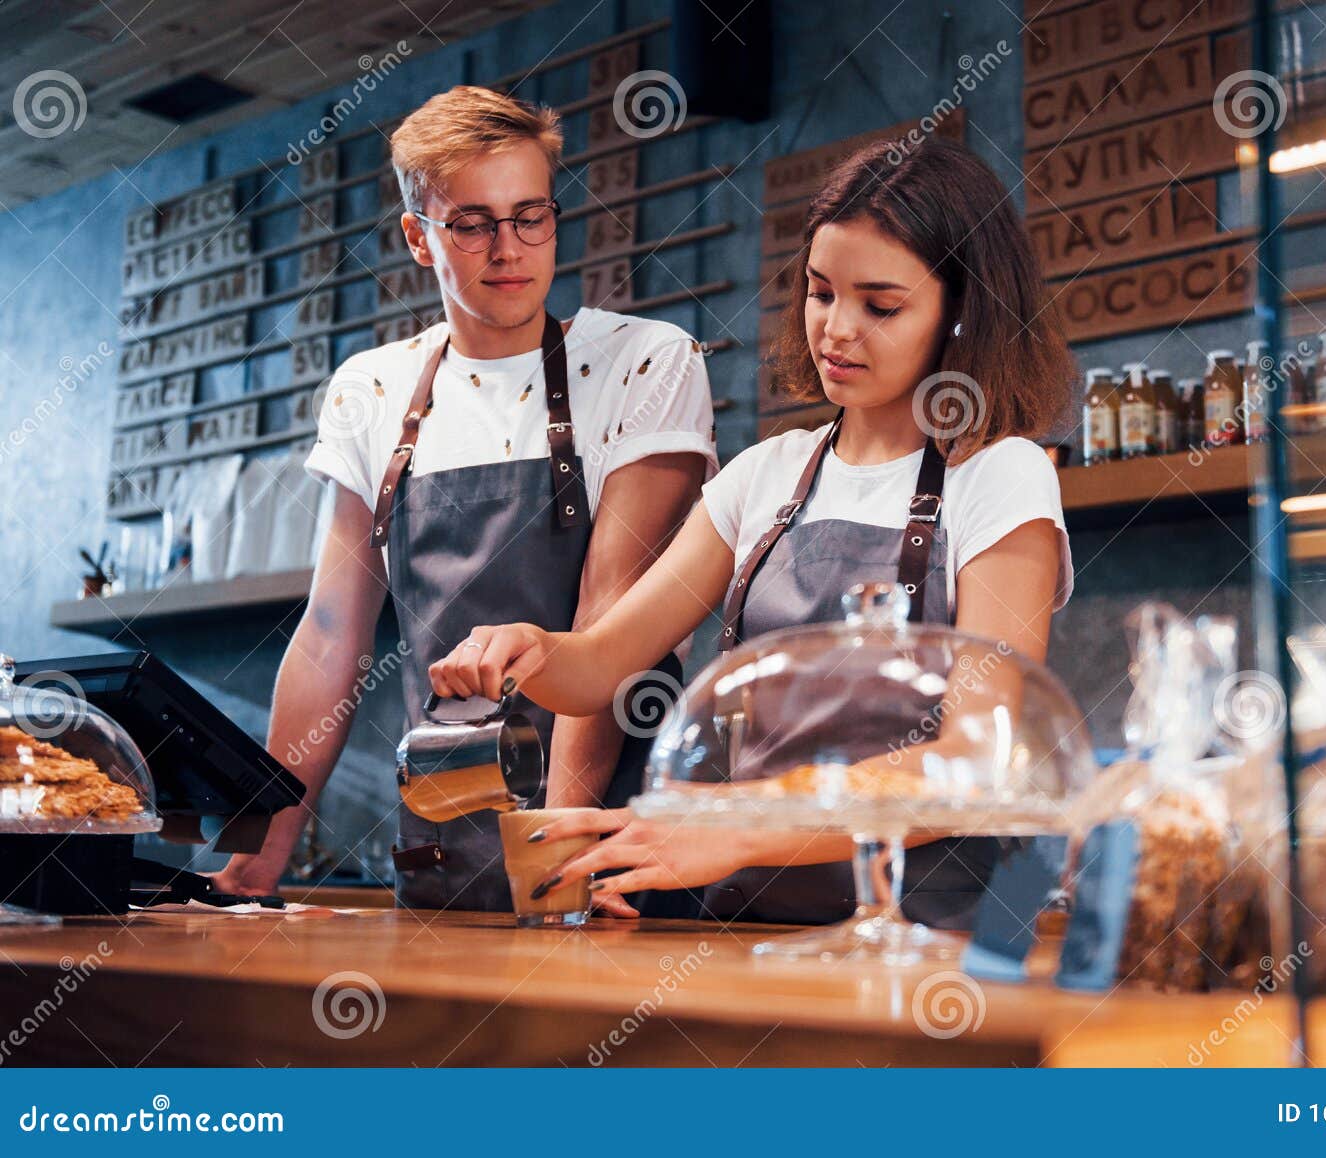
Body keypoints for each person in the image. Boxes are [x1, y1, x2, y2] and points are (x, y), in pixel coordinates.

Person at [426, 136, 1073, 926]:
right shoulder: (764, 476)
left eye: (881, 305)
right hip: (745, 933)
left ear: (961, 312)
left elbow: (980, 759)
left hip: (924, 945)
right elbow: (598, 669)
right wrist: (528, 651)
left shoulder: (999, 474)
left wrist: (738, 825)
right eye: (820, 291)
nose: (836, 329)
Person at [210, 86, 718, 911]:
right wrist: (259, 848)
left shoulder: (645, 361)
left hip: (612, 849)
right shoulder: (370, 390)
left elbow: (608, 608)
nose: (508, 249)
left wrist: (560, 855)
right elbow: (331, 632)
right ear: (419, 237)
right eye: (474, 224)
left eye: (531, 216)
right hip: (447, 842)